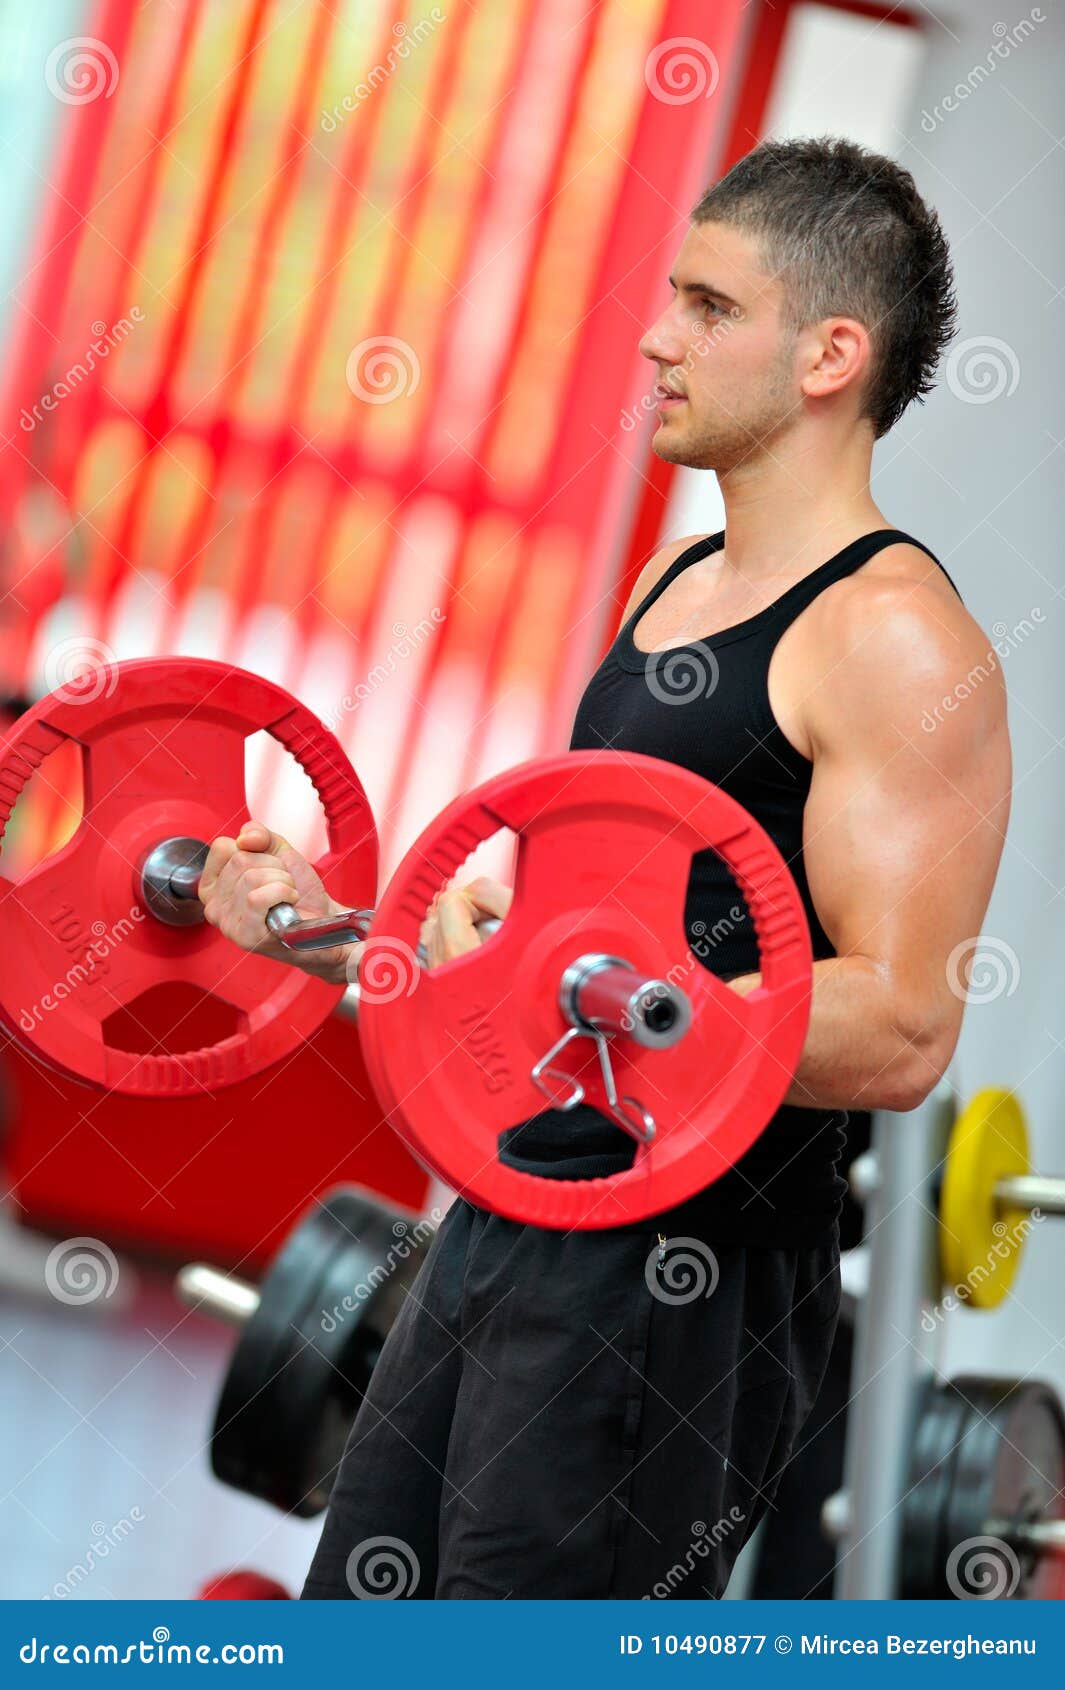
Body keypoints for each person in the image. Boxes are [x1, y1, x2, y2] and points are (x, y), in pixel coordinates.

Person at [198, 137, 1010, 1600]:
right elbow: (544, 951)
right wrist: (326, 930)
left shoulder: (891, 639)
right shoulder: (674, 585)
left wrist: (622, 1003)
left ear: (830, 355)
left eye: (711, 306)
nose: (657, 337)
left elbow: (900, 1024)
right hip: (516, 1211)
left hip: (683, 1273)